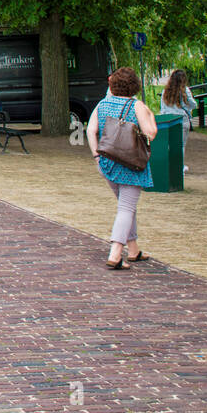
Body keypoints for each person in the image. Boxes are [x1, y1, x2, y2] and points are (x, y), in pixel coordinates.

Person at [86, 66, 158, 269]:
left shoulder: (102, 104)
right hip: (130, 163)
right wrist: (150, 114)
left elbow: (91, 131)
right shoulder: (137, 106)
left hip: (107, 162)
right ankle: (116, 252)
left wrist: (96, 157)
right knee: (126, 208)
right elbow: (151, 133)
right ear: (134, 86)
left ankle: (133, 249)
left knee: (126, 206)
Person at [160, 69, 198, 173]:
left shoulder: (165, 91)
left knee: (169, 144)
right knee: (181, 144)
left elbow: (162, 108)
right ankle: (179, 167)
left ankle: (168, 165)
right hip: (182, 119)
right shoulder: (185, 90)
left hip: (168, 120)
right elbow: (193, 104)